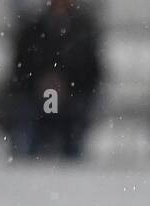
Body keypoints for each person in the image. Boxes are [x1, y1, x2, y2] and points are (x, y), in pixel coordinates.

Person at [7, 0, 101, 159]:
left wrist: (66, 84)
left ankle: (72, 161)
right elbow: (20, 69)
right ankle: (29, 162)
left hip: (72, 98)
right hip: (36, 98)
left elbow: (92, 71)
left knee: (74, 125)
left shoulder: (83, 30)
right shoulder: (32, 29)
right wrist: (42, 83)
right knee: (28, 121)